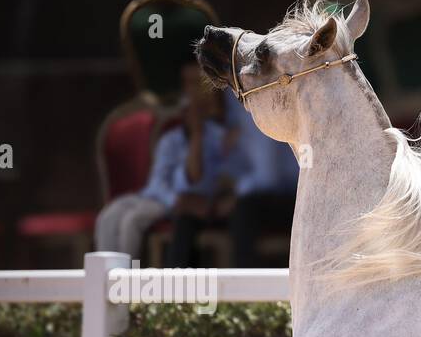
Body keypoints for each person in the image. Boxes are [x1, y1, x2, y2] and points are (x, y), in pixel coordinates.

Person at [94, 62, 233, 262]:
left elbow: (202, 182)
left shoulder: (217, 138)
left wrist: (197, 135)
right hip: (161, 197)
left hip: (184, 204)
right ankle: (104, 278)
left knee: (131, 221)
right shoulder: (171, 139)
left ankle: (122, 281)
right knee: (109, 214)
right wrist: (172, 199)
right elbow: (157, 180)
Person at [222, 94, 299, 267]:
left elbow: (268, 175)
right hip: (263, 197)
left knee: (244, 209)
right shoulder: (233, 117)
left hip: (291, 195)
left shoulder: (264, 105)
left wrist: (236, 191)